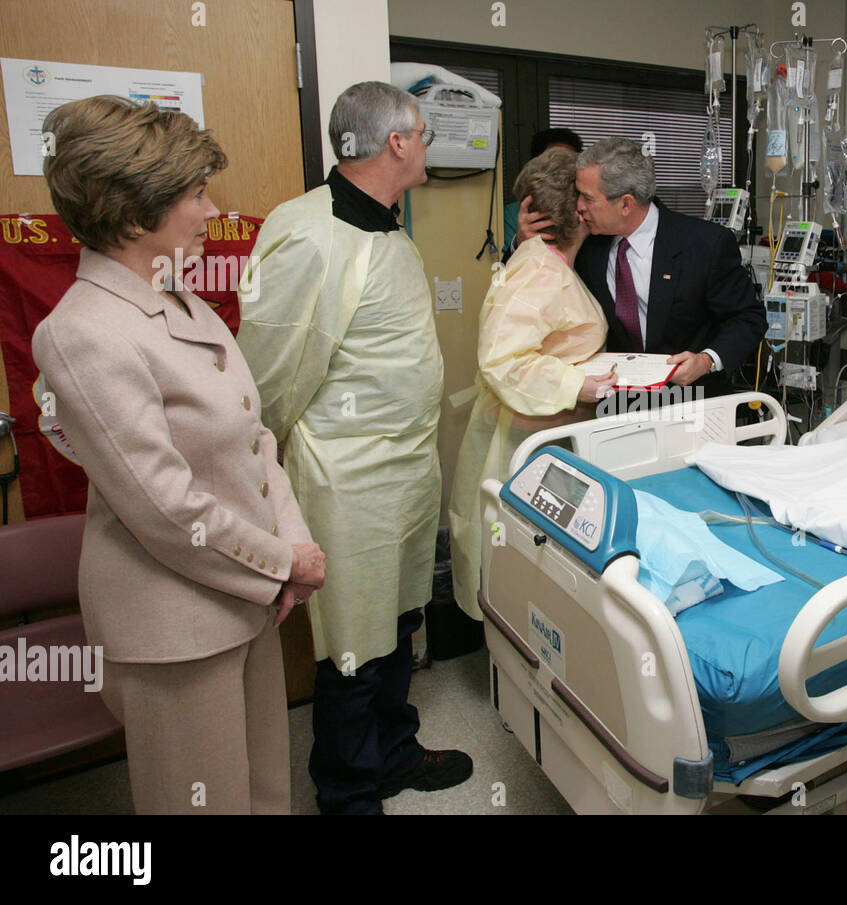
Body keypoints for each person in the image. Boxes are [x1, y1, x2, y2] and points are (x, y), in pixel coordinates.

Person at [31, 95, 325, 814]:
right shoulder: (84, 333)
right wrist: (282, 562)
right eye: (195, 194)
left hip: (243, 599)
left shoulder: (181, 300)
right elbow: (163, 504)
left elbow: (254, 437)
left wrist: (290, 542)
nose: (211, 208)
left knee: (261, 794)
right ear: (135, 214)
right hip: (174, 632)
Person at [236, 81, 470, 815]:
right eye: (424, 134)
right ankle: (346, 789)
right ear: (395, 142)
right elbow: (268, 374)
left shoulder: (391, 231)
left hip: (405, 470)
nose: (428, 146)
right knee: (352, 639)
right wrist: (263, 477)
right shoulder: (308, 230)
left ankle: (394, 750)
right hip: (345, 479)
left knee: (399, 618)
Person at [448, 147, 614, 620]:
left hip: (538, 428)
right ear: (576, 210)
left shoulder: (542, 261)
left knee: (534, 556)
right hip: (528, 433)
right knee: (534, 557)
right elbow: (503, 358)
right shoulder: (541, 270)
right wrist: (578, 386)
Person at [518, 136, 765, 398]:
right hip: (613, 403)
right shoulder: (586, 242)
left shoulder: (704, 245)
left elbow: (748, 318)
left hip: (691, 400)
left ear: (626, 203)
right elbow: (538, 283)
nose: (578, 206)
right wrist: (524, 242)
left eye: (588, 198)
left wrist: (706, 360)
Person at [502, 127, 583, 255]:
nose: (563, 169)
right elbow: (506, 271)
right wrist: (519, 243)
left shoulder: (586, 207)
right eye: (555, 162)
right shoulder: (515, 214)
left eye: (570, 161)